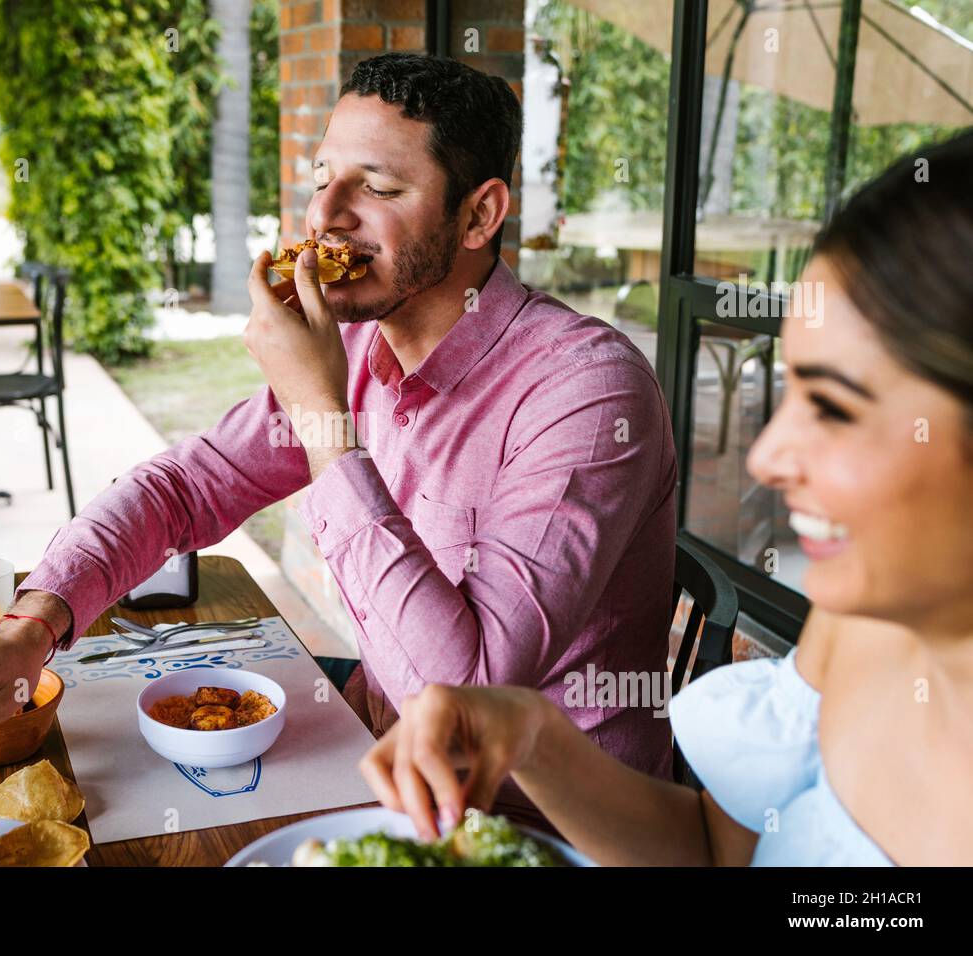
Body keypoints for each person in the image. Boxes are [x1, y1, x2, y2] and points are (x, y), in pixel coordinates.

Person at [0, 52, 678, 787]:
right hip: (378, 752)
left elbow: (465, 705)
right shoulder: (365, 342)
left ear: (480, 216)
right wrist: (27, 628)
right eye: (321, 178)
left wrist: (319, 414)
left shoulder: (588, 392)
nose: (326, 216)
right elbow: (185, 487)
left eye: (377, 187)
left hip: (537, 822)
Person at [358, 130, 973, 865]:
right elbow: (716, 852)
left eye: (835, 408)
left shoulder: (582, 382)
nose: (767, 456)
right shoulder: (858, 629)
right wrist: (531, 733)